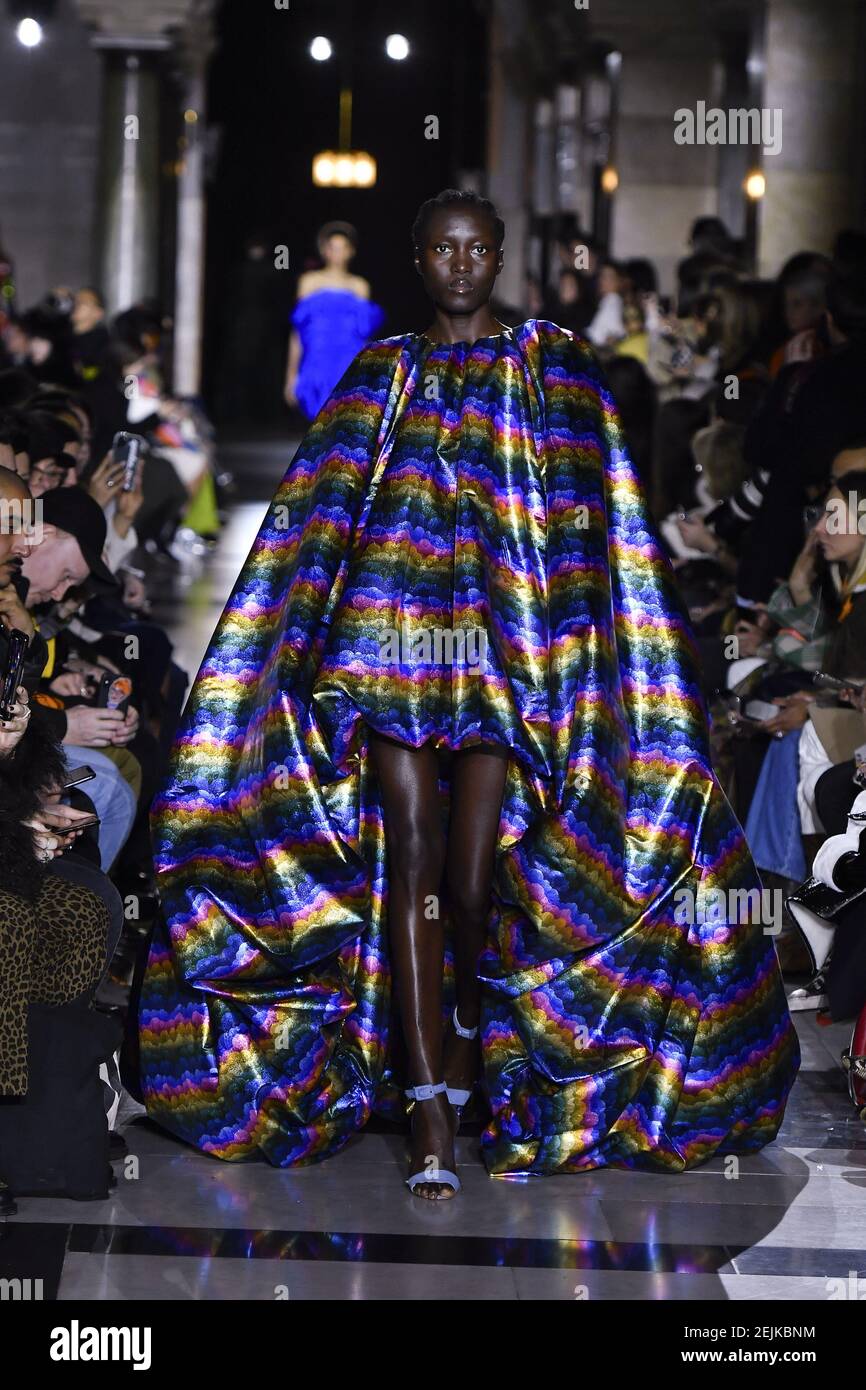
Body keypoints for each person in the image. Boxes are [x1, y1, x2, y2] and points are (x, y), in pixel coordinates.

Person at [139, 188, 799, 1201]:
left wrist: (592, 660)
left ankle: (464, 1041)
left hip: (506, 661)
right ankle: (428, 1109)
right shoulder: (381, 373)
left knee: (476, 873)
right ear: (418, 257)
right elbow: (315, 530)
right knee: (410, 857)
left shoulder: (553, 365)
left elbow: (596, 530)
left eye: (476, 248)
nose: (458, 264)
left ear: (497, 255)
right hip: (392, 653)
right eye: (440, 248)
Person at [284, 221, 385, 418]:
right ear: (324, 250)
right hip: (317, 360)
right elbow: (298, 331)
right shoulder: (309, 282)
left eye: (342, 248)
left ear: (351, 251)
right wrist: (291, 375)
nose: (337, 253)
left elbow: (365, 333)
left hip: (348, 359)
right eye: (333, 248)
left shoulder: (359, 286)